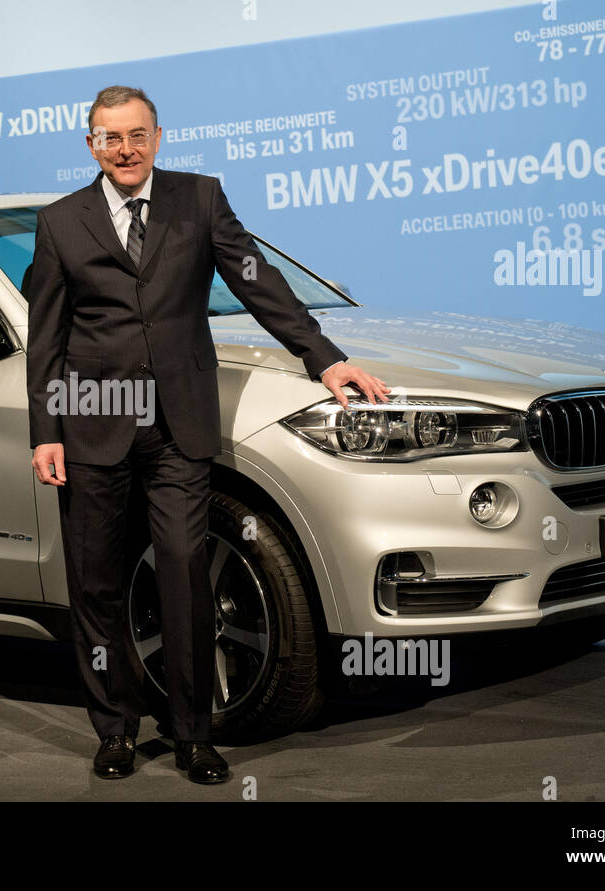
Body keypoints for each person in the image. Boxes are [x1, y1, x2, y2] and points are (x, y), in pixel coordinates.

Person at [26, 85, 390, 784]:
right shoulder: (59, 222)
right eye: (110, 137)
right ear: (90, 145)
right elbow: (47, 338)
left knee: (186, 575)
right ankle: (116, 729)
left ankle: (193, 733)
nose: (125, 149)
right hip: (92, 425)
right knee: (96, 586)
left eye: (137, 135)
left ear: (157, 138)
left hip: (179, 427)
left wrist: (322, 355)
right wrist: (46, 430)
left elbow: (257, 280)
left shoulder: (200, 199)